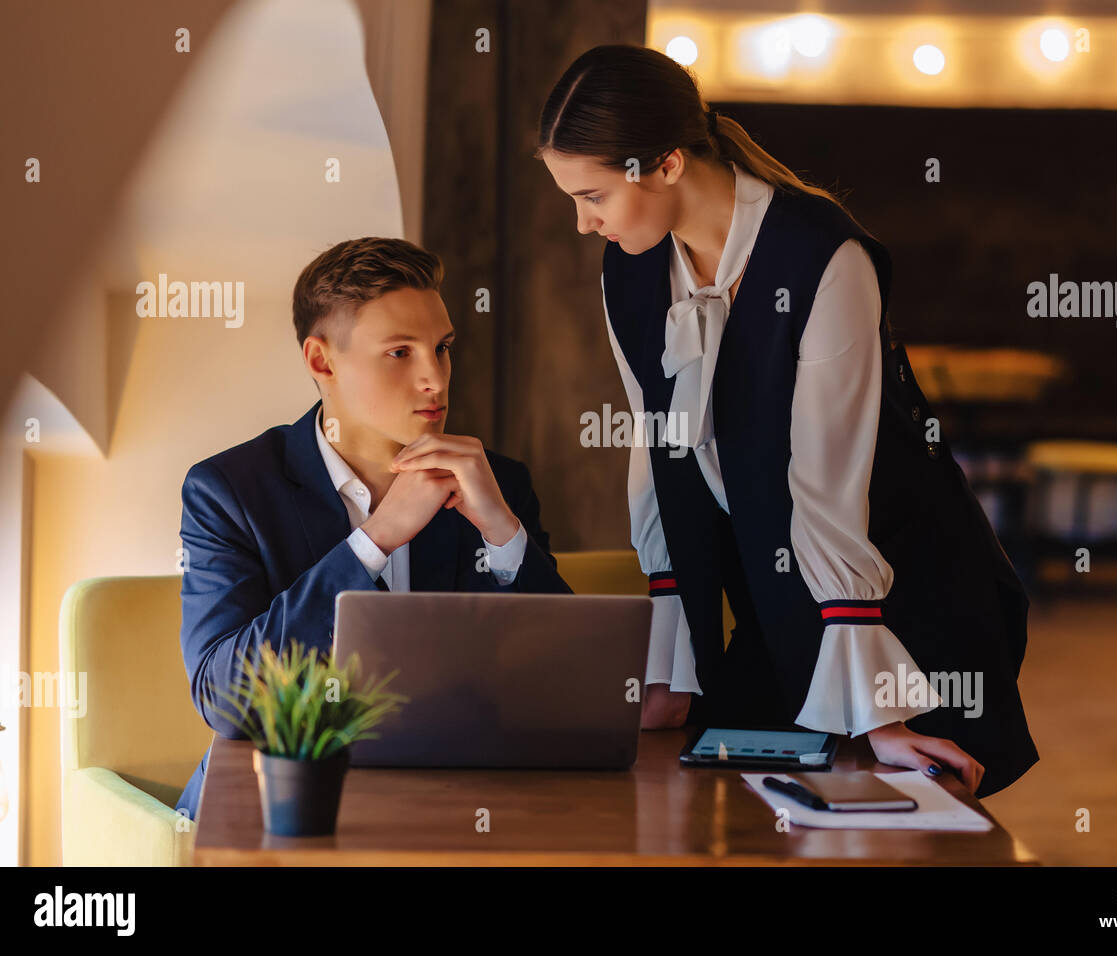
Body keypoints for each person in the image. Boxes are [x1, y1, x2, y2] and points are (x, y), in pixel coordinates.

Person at [537, 45, 1038, 797]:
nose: (583, 223)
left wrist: (878, 718)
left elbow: (829, 486)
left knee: (893, 828)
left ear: (667, 165)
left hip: (900, 593)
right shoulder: (631, 268)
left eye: (595, 195)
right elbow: (662, 456)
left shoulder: (822, 256)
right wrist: (671, 665)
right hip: (781, 594)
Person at [174, 237, 571, 823]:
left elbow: (564, 677)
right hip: (277, 814)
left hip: (456, 812)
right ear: (321, 361)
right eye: (399, 353)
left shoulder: (496, 481)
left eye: (442, 348)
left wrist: (502, 530)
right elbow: (228, 700)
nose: (435, 378)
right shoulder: (228, 491)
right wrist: (375, 539)